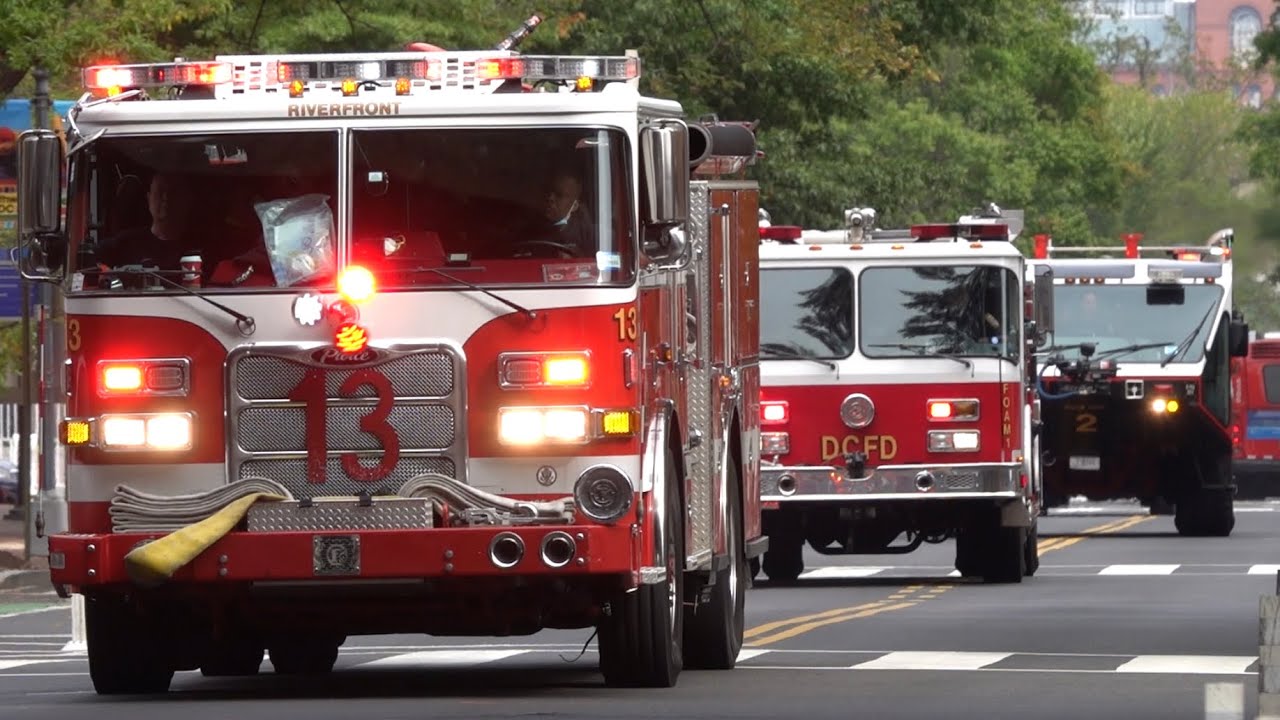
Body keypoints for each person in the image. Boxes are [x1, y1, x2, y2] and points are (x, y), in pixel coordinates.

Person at [98, 172, 197, 271]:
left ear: (187, 200)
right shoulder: (125, 242)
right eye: (159, 192)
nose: (165, 198)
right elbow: (88, 259)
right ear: (149, 199)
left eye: (173, 192)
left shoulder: (197, 248)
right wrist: (106, 272)